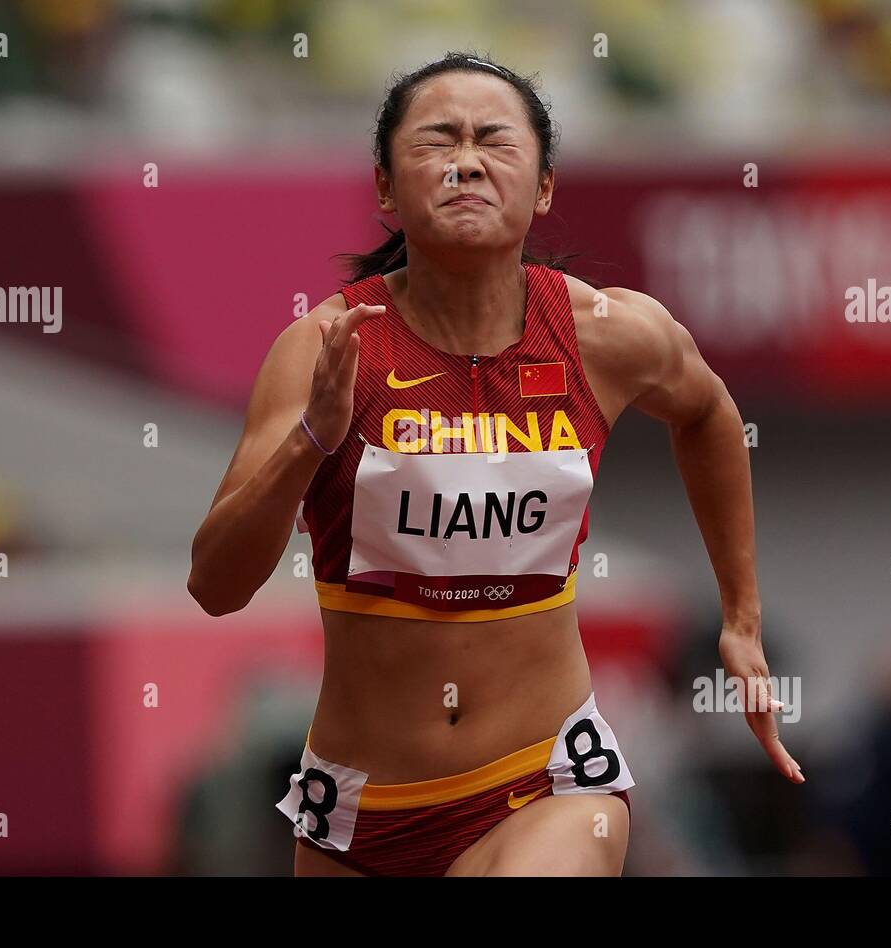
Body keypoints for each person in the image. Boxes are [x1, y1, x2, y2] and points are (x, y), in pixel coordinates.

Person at [187, 51, 801, 877]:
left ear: (543, 186)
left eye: (494, 142)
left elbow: (710, 413)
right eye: (437, 142)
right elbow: (215, 587)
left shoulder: (609, 334)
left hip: (547, 781)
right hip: (364, 812)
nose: (467, 161)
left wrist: (742, 617)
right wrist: (312, 440)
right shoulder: (326, 350)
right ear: (384, 190)